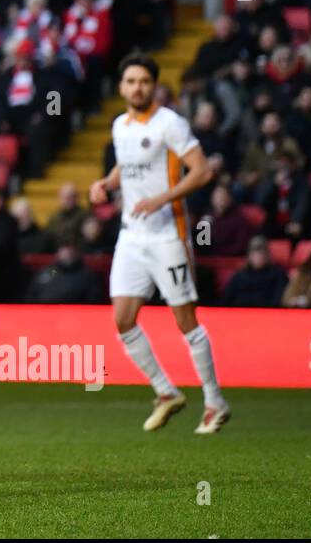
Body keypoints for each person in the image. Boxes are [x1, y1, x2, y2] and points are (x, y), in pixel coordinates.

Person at [90, 54, 230, 434]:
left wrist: (162, 198)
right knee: (122, 319)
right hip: (131, 236)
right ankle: (166, 392)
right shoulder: (120, 126)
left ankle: (215, 402)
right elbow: (127, 166)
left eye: (144, 81)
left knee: (185, 321)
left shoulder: (171, 123)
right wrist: (106, 183)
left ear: (154, 86)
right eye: (131, 81)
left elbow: (202, 171)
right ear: (121, 88)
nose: (137, 87)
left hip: (169, 235)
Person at [222, 236, 289, 307]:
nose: (259, 257)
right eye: (255, 253)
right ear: (249, 256)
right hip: (239, 313)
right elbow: (226, 300)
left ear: (268, 255)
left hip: (266, 313)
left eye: (262, 253)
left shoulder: (278, 275)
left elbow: (277, 301)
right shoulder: (239, 276)